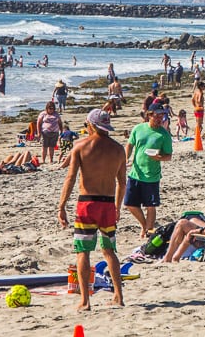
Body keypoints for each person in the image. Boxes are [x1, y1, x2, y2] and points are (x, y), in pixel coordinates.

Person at [57, 109, 126, 310]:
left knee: (83, 252)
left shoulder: (80, 146)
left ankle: (85, 301)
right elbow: (122, 182)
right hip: (108, 204)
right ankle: (118, 296)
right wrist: (117, 206)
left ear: (91, 125)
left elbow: (70, 178)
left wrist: (61, 206)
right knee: (109, 251)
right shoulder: (118, 149)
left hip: (87, 203)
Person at [125, 102, 173, 239]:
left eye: (162, 116)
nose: (160, 119)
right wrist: (126, 159)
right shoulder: (138, 129)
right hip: (135, 173)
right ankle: (144, 225)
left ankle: (149, 231)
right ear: (149, 115)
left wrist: (159, 158)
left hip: (152, 176)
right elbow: (130, 145)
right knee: (129, 203)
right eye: (157, 116)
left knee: (150, 206)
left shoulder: (164, 135)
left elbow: (168, 156)